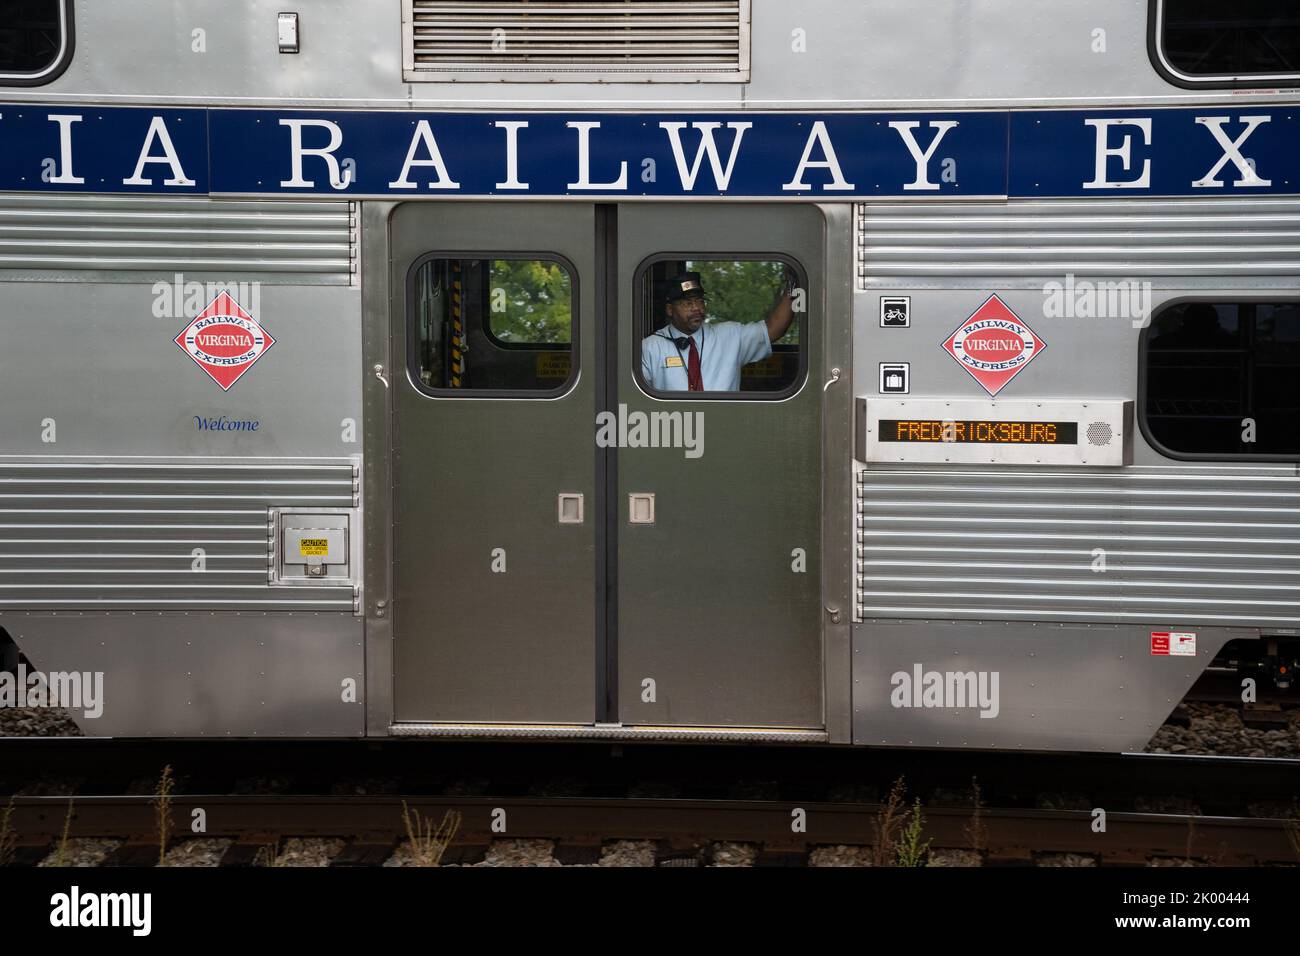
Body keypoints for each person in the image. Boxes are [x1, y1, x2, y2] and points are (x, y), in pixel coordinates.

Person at [640, 269, 797, 392]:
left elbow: (774, 329)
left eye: (700, 301)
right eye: (687, 303)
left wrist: (793, 283)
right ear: (670, 309)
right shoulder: (651, 347)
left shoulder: (729, 336)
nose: (696, 308)